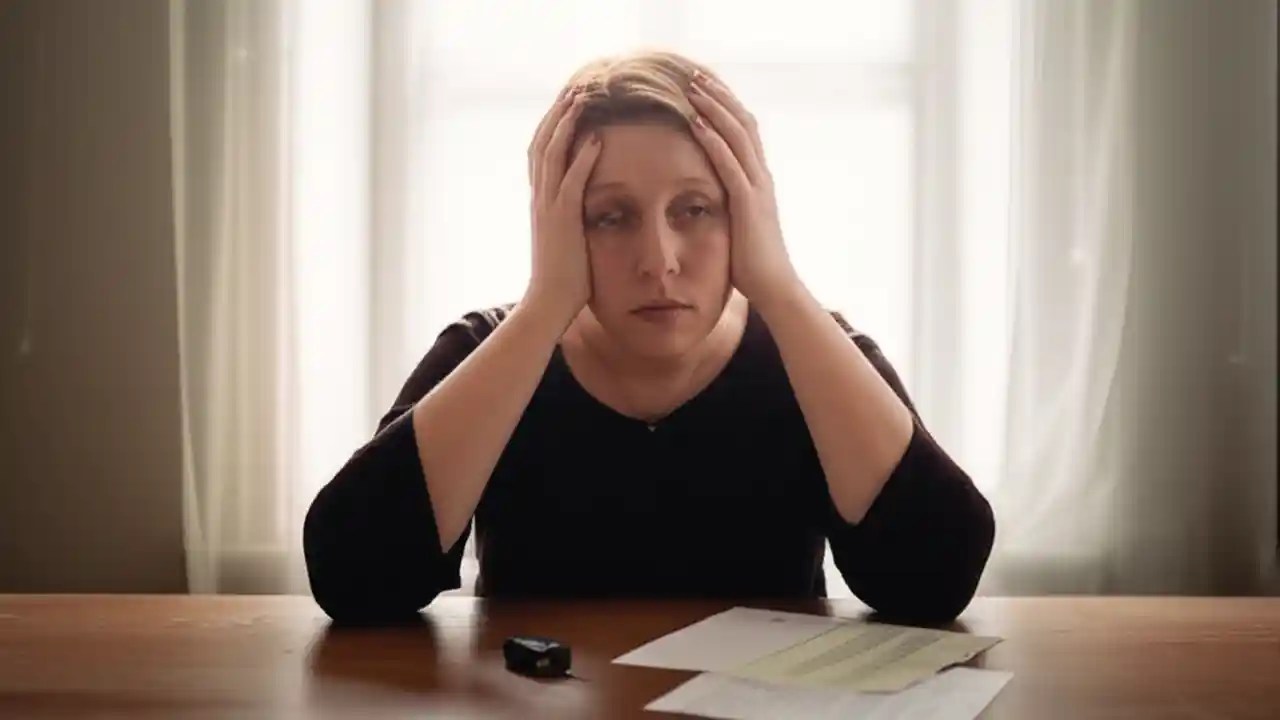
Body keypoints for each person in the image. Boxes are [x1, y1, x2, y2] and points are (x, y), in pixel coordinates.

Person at [303, 51, 994, 624]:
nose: (659, 258)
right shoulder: (488, 349)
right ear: (561, 225)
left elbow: (936, 581)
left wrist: (778, 286)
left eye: (695, 209)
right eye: (611, 217)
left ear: (743, 217)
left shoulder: (812, 352)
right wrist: (545, 305)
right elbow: (352, 579)